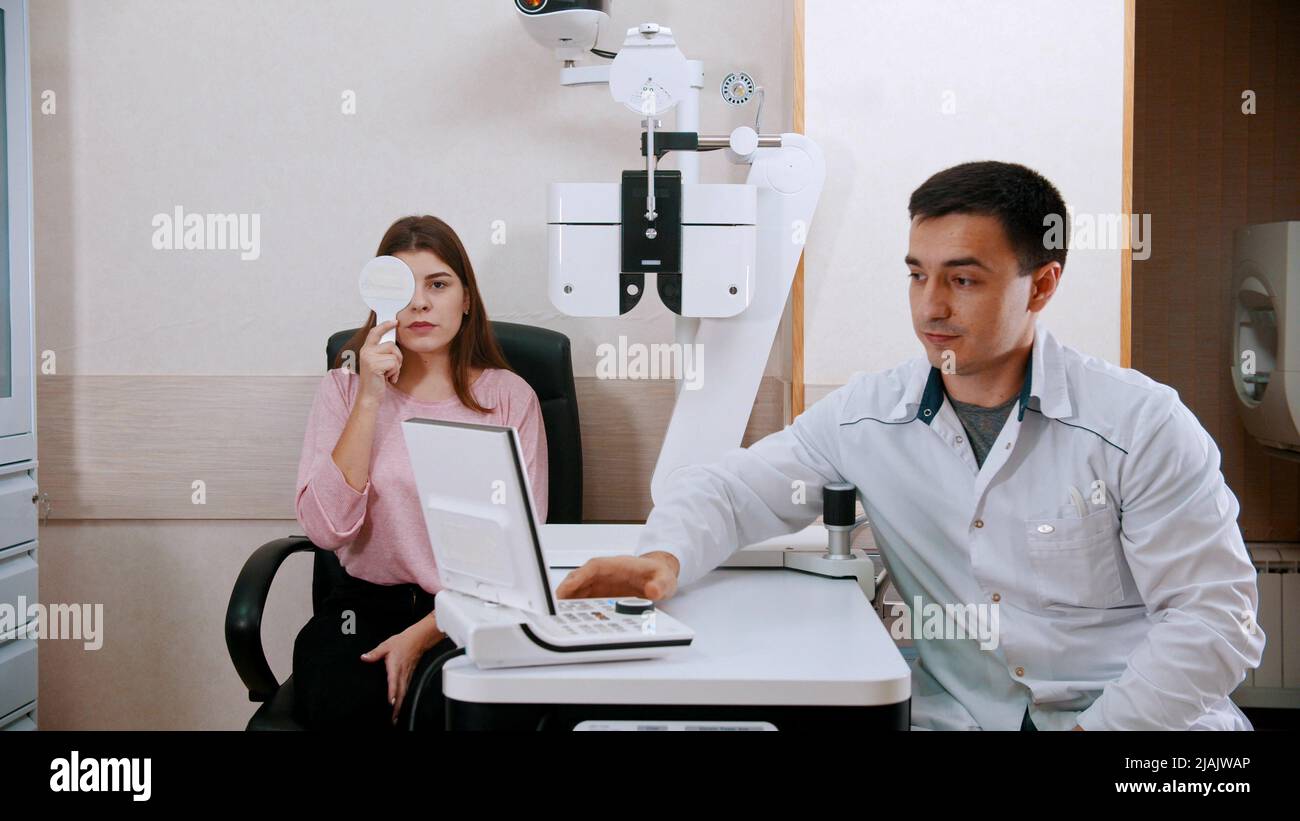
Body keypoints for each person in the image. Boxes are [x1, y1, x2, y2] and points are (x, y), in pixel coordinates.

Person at [556, 161, 1264, 731]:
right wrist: (661, 556)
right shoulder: (872, 415)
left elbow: (1215, 621)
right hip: (961, 715)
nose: (930, 306)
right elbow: (735, 489)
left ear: (1042, 285)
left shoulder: (1139, 423)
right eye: (917, 274)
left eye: (962, 279)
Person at [292, 215, 549, 729]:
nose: (421, 303)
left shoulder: (508, 399)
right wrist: (369, 398)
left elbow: (515, 554)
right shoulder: (342, 391)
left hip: (472, 610)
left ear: (467, 298)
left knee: (449, 710)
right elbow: (325, 530)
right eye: (405, 287)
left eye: (438, 284)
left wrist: (422, 634)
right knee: (345, 703)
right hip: (361, 609)